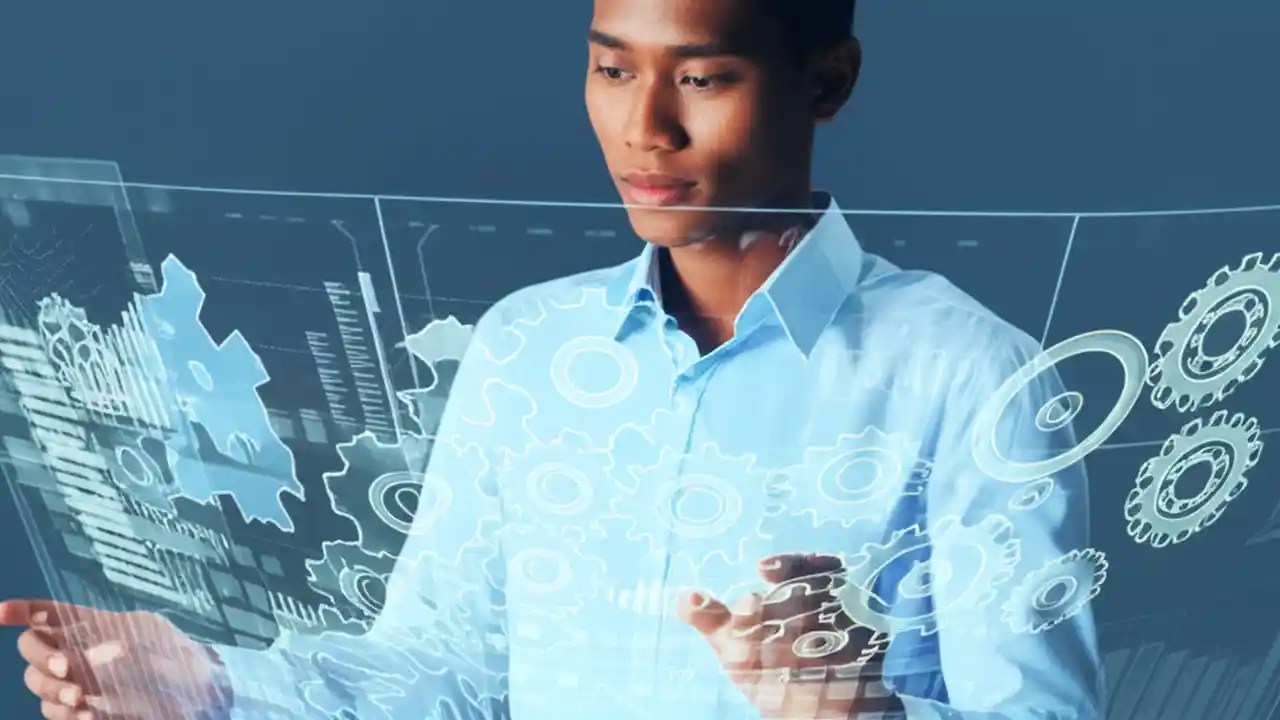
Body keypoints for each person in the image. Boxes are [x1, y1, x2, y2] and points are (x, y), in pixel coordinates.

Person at [1, 0, 1105, 717]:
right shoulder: (529, 347)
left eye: (703, 78)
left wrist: (863, 712)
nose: (643, 131)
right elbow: (443, 668)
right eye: (611, 72)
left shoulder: (972, 380)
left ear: (826, 80)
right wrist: (212, 685)